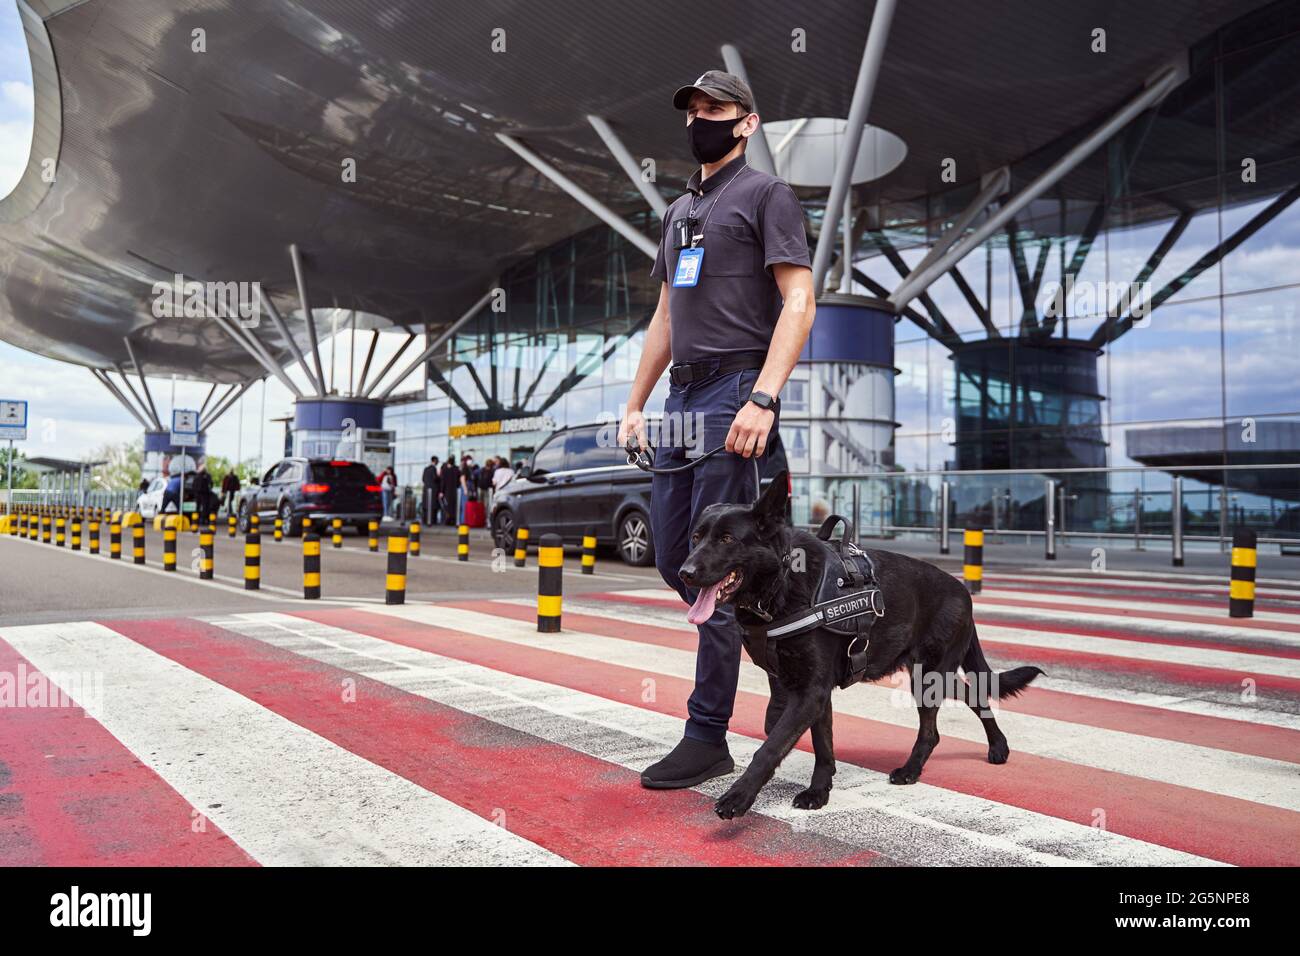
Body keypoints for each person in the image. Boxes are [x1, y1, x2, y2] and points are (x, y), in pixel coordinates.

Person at [618, 70, 816, 789]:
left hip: (737, 387)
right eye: (693, 110)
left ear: (747, 123)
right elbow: (666, 316)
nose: (701, 119)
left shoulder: (767, 196)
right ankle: (780, 654)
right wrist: (635, 402)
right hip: (680, 397)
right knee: (678, 559)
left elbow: (799, 298)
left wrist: (763, 397)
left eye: (716, 109)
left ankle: (707, 734)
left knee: (717, 567)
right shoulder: (677, 213)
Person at [439, 457, 461, 526]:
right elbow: (458, 480)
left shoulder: (445, 470)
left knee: (447, 506)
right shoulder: (457, 469)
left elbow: (443, 481)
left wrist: (441, 491)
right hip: (455, 490)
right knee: (454, 505)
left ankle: (448, 520)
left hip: (447, 490)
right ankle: (454, 520)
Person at [421, 456, 440, 525]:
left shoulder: (426, 469)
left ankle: (425, 520)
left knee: (426, 505)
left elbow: (423, 479)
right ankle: (432, 520)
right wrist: (439, 477)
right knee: (433, 506)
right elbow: (435, 478)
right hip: (433, 490)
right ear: (435, 461)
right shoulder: (434, 469)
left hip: (426, 489)